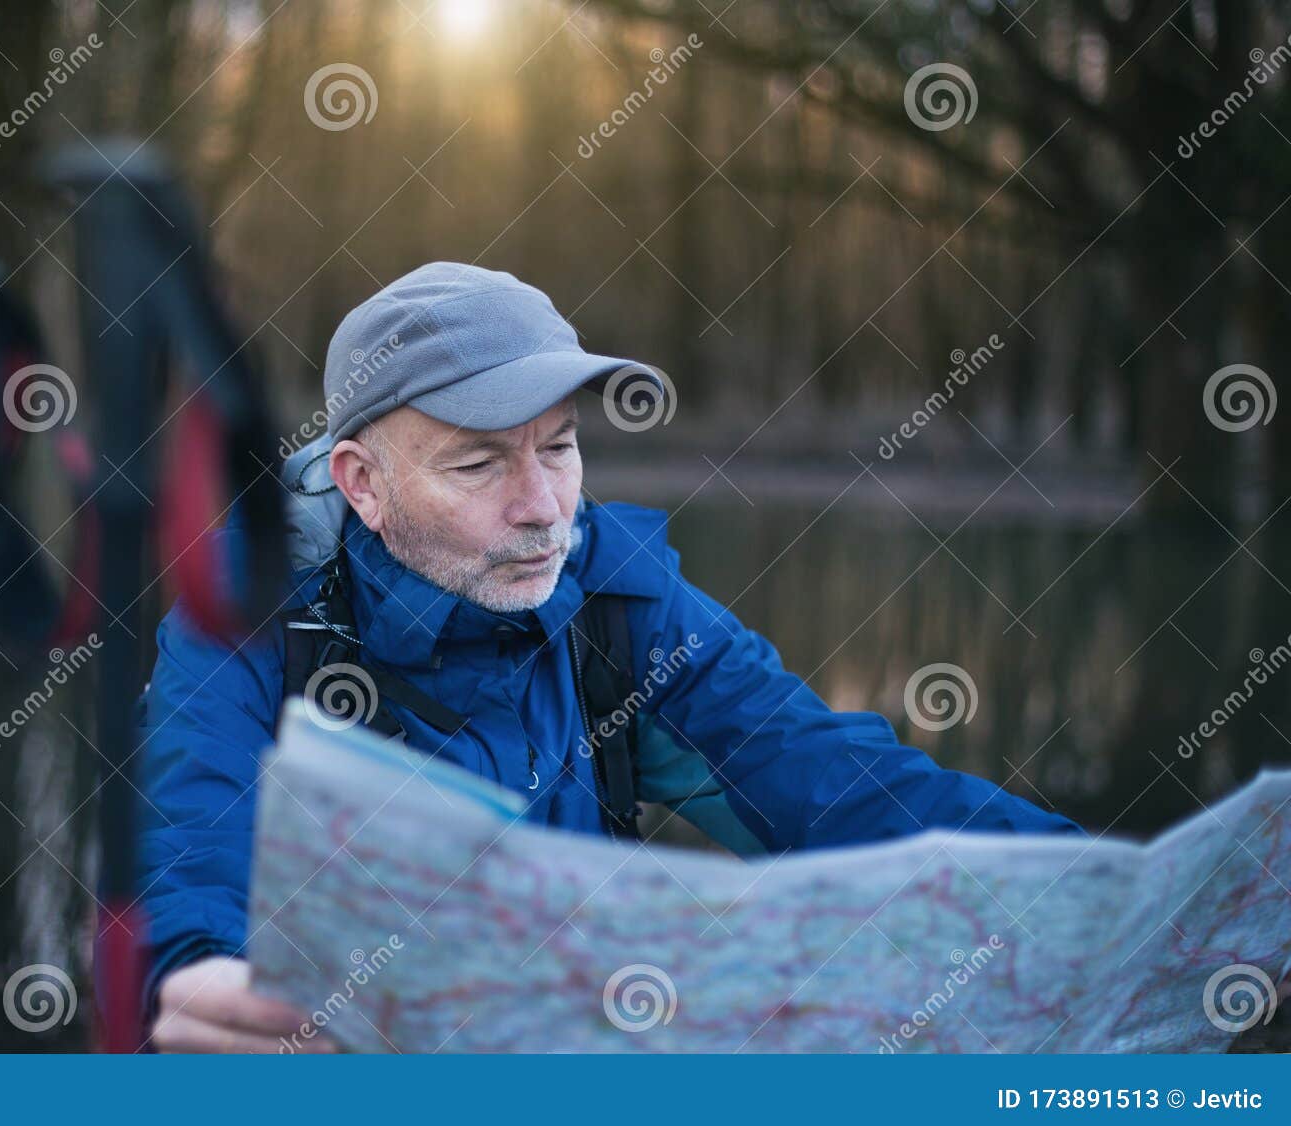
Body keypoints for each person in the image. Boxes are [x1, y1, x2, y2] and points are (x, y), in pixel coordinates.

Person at [138, 262, 1083, 1052]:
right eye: (479, 465)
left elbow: (839, 782)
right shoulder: (239, 620)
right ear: (364, 485)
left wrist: (1094, 888)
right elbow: (190, 855)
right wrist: (195, 979)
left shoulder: (620, 600)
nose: (543, 505)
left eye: (559, 446)